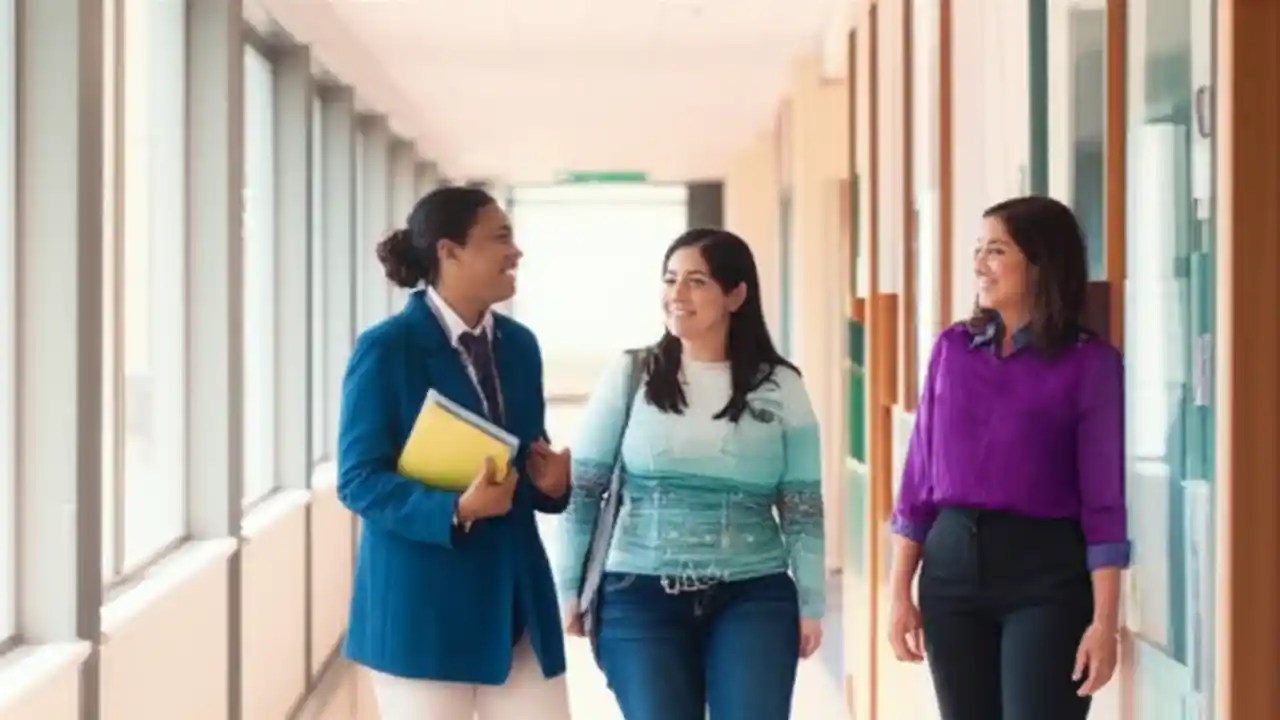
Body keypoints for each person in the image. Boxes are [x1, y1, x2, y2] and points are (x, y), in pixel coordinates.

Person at [557, 228, 826, 720]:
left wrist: (812, 602)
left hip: (754, 594)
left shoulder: (782, 385)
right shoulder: (632, 373)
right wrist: (569, 588)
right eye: (670, 279)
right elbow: (584, 488)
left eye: (696, 281)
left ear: (736, 294)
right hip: (639, 595)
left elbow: (803, 506)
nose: (676, 295)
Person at [887, 195, 1129, 720]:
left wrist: (1104, 621)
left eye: (995, 251)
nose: (978, 264)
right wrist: (899, 592)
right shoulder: (951, 350)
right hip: (950, 574)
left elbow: (1104, 504)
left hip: (1047, 581)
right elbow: (918, 482)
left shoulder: (1091, 365)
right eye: (978, 250)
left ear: (1040, 261)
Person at [337, 186, 573, 720]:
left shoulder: (519, 347)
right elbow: (358, 479)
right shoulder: (386, 348)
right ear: (449, 251)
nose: (516, 253)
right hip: (422, 609)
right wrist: (456, 509)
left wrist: (550, 484)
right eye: (500, 238)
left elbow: (521, 464)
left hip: (515, 604)